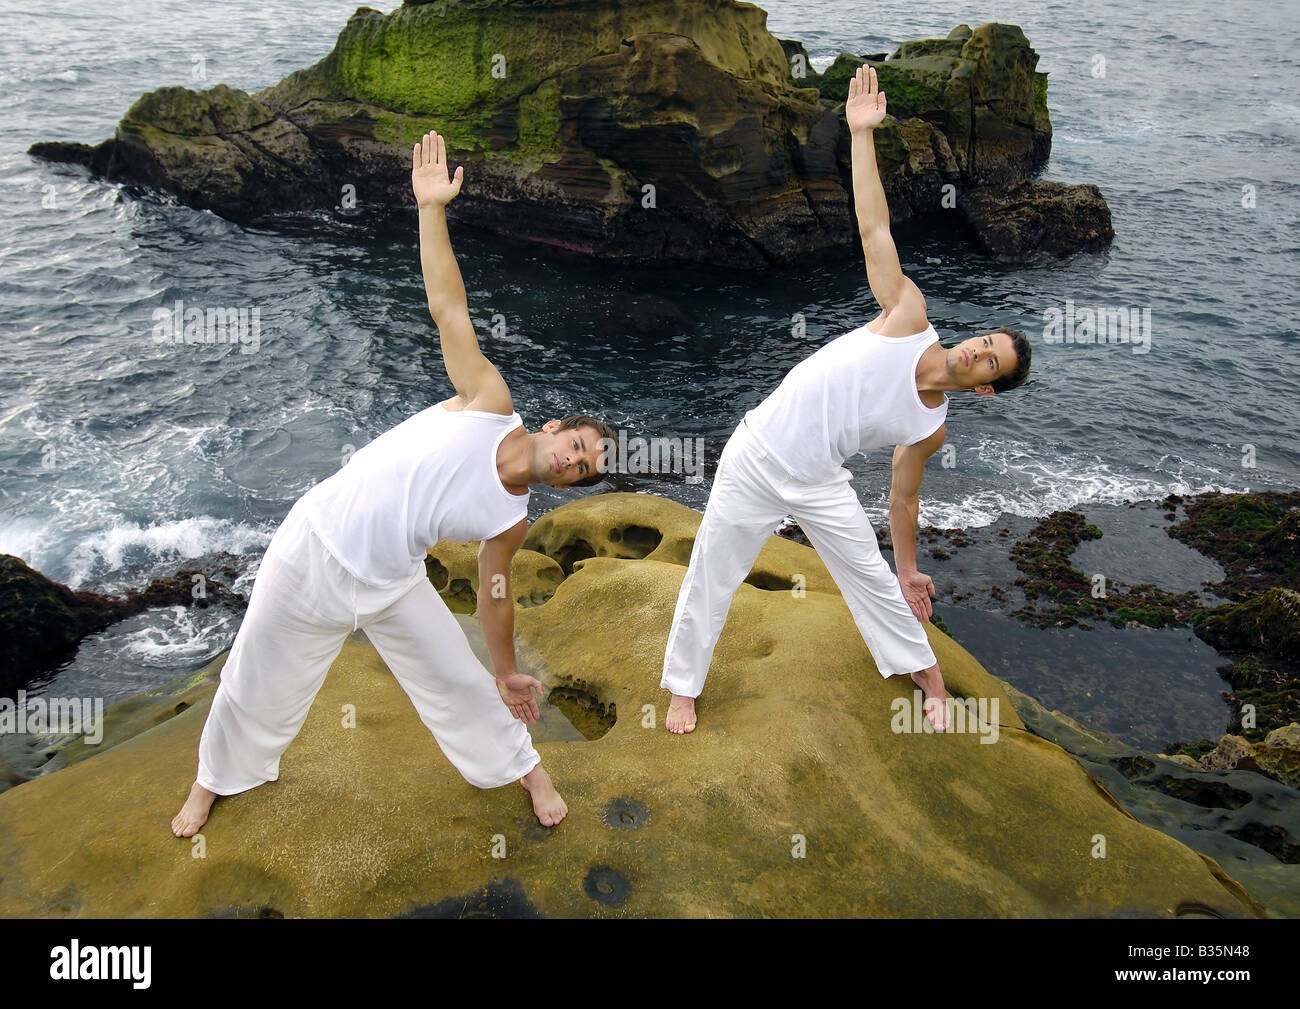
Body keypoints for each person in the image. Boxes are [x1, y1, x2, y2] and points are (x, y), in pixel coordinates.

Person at [172, 130, 614, 836]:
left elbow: (496, 595)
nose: (574, 461)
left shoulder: (511, 520)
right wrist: (430, 209)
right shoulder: (488, 399)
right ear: (556, 426)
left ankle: (530, 770)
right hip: (315, 545)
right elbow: (449, 308)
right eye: (578, 445)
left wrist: (507, 670)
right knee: (257, 678)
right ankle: (211, 781)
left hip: (390, 582)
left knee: (461, 682)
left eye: (585, 468)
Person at [659, 65, 1032, 735]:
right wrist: (862, 135)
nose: (978, 349)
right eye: (984, 339)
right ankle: (683, 688)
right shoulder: (909, 313)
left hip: (819, 482)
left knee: (870, 574)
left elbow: (903, 498)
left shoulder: (931, 425)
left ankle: (928, 676)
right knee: (713, 571)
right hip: (757, 452)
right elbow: (874, 230)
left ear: (985, 386)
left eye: (990, 360)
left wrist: (912, 569)